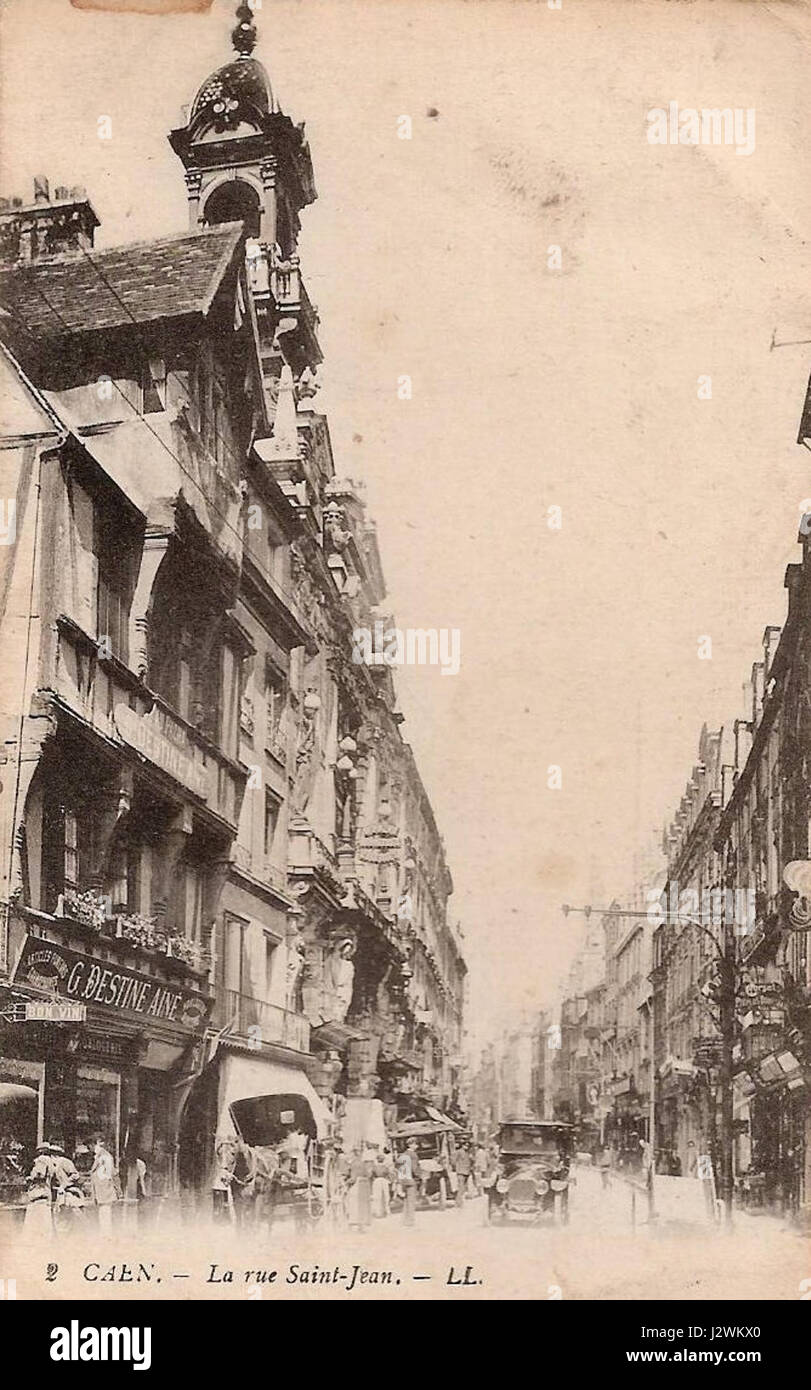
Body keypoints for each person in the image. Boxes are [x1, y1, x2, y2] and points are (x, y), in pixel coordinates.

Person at [90, 1137, 118, 1235]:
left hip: (104, 1190)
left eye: (94, 1145)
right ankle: (104, 1235)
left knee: (105, 1214)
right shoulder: (99, 1157)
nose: (92, 1148)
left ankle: (106, 1237)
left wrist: (102, 1180)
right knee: (103, 1215)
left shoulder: (106, 1157)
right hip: (100, 1190)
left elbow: (110, 1174)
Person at [347, 1144, 372, 1231]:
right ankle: (362, 1224)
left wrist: (346, 1182)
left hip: (356, 1185)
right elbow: (368, 1174)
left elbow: (353, 1178)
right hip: (364, 1185)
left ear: (354, 1154)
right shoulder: (362, 1163)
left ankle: (353, 1224)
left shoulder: (354, 1163)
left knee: (354, 1204)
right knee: (362, 1205)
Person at [397, 1138, 421, 1227]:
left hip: (404, 1180)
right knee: (411, 1201)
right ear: (411, 1145)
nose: (417, 1146)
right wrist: (420, 1175)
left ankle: (404, 1220)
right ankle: (410, 1221)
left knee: (406, 1201)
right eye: (416, 1144)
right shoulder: (413, 1155)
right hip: (411, 1180)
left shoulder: (403, 1154)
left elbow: (399, 1168)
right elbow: (414, 1169)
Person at [371, 1147, 392, 1219]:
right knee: (386, 1196)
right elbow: (388, 1174)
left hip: (377, 1181)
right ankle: (387, 1210)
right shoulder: (385, 1167)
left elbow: (372, 1175)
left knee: (377, 1196)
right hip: (384, 1180)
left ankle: (378, 1212)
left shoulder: (374, 1167)